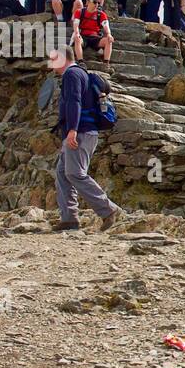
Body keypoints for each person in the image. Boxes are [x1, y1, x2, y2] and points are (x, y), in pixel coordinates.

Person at [49, 46, 120, 232]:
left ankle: (108, 210)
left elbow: (74, 101)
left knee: (74, 173)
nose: (51, 65)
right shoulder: (81, 73)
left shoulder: (72, 75)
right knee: (62, 173)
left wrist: (72, 129)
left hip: (80, 133)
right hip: (82, 132)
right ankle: (69, 219)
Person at [71, 0, 114, 66]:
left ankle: (106, 63)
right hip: (83, 36)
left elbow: (106, 26)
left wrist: (109, 34)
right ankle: (80, 61)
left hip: (95, 37)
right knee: (77, 39)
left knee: (108, 40)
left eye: (98, 3)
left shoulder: (101, 14)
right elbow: (76, 24)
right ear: (87, 2)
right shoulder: (79, 12)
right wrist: (76, 33)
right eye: (94, 2)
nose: (96, 5)